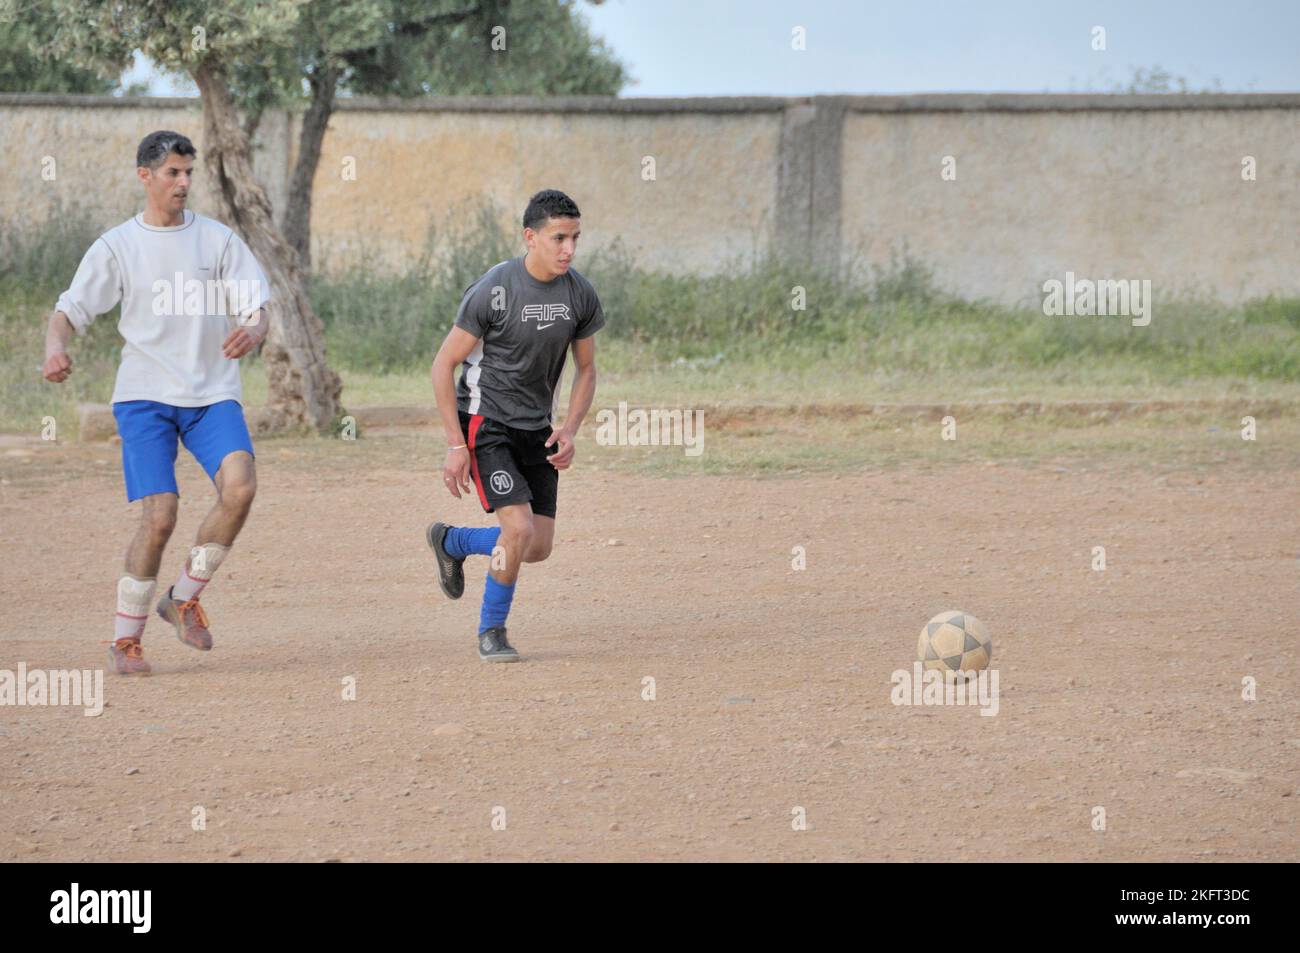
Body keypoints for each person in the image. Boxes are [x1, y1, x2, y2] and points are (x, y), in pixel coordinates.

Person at [43, 130, 269, 675]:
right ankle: (126, 640)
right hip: (144, 398)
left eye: (189, 172)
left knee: (240, 487)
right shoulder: (117, 245)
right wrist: (55, 346)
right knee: (161, 517)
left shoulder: (217, 240)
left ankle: (184, 596)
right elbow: (69, 309)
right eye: (172, 172)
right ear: (145, 177)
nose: (184, 182)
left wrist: (255, 329)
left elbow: (256, 305)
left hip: (212, 395)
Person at [427, 189, 604, 661]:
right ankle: (492, 632)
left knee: (537, 545)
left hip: (538, 429)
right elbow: (443, 365)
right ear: (531, 237)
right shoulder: (494, 289)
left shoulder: (580, 293)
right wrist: (455, 443)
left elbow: (586, 369)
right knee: (519, 529)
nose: (568, 248)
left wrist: (569, 429)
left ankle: (453, 540)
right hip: (488, 424)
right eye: (558, 238)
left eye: (575, 238)